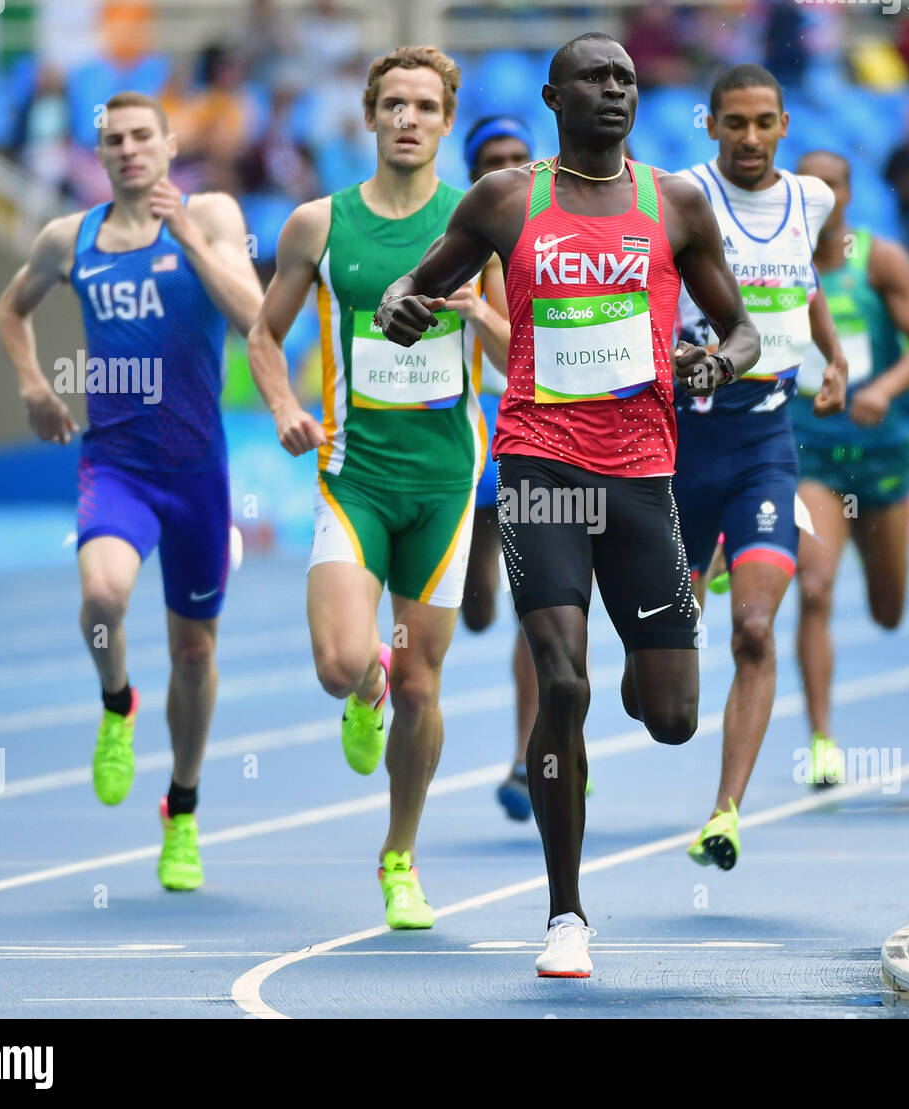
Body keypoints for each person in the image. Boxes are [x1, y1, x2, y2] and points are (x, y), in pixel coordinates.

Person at [375, 33, 817, 977]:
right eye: (594, 78)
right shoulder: (507, 200)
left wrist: (714, 359)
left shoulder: (676, 203)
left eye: (625, 79)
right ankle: (566, 912)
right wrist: (400, 305)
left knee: (670, 717)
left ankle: (640, 659)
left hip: (644, 476)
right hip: (541, 467)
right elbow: (417, 285)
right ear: (553, 96)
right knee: (562, 684)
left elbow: (742, 331)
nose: (614, 91)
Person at [246, 46, 504, 929]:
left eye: (424, 106)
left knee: (426, 684)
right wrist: (283, 404)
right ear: (369, 116)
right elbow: (261, 334)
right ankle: (366, 692)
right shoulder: (318, 225)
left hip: (443, 483)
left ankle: (400, 856)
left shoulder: (478, 225)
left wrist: (480, 313)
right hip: (353, 478)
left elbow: (521, 354)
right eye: (393, 104)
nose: (407, 118)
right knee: (340, 663)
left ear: (445, 120)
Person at [0, 91, 264, 890]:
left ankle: (181, 807)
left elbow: (257, 319)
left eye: (143, 135)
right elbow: (11, 310)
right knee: (104, 597)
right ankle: (117, 703)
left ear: (169, 144)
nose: (129, 148)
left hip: (197, 473)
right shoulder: (69, 239)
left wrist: (192, 241)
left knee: (194, 650)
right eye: (114, 139)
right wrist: (36, 386)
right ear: (101, 155)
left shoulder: (211, 214)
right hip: (116, 465)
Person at [669, 65, 848, 874]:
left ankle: (726, 811)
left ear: (783, 125)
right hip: (677, 441)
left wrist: (834, 356)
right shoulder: (679, 195)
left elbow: (804, 287)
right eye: (733, 123)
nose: (748, 138)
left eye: (763, 123)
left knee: (752, 629)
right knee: (658, 685)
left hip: (765, 440)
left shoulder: (811, 198)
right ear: (710, 125)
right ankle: (674, 620)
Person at [790, 150, 909, 787]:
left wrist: (883, 388)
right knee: (815, 587)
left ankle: (879, 602)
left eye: (834, 185)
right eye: (810, 186)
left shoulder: (881, 260)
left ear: (850, 194)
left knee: (888, 611)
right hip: (811, 456)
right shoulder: (776, 262)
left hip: (880, 459)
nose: (823, 195)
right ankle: (822, 740)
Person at [455, 115, 545, 821]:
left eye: (520, 156)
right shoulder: (458, 237)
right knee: (478, 608)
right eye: (494, 159)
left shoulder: (554, 237)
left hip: (535, 431)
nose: (509, 167)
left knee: (535, 605)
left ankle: (530, 754)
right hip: (468, 430)